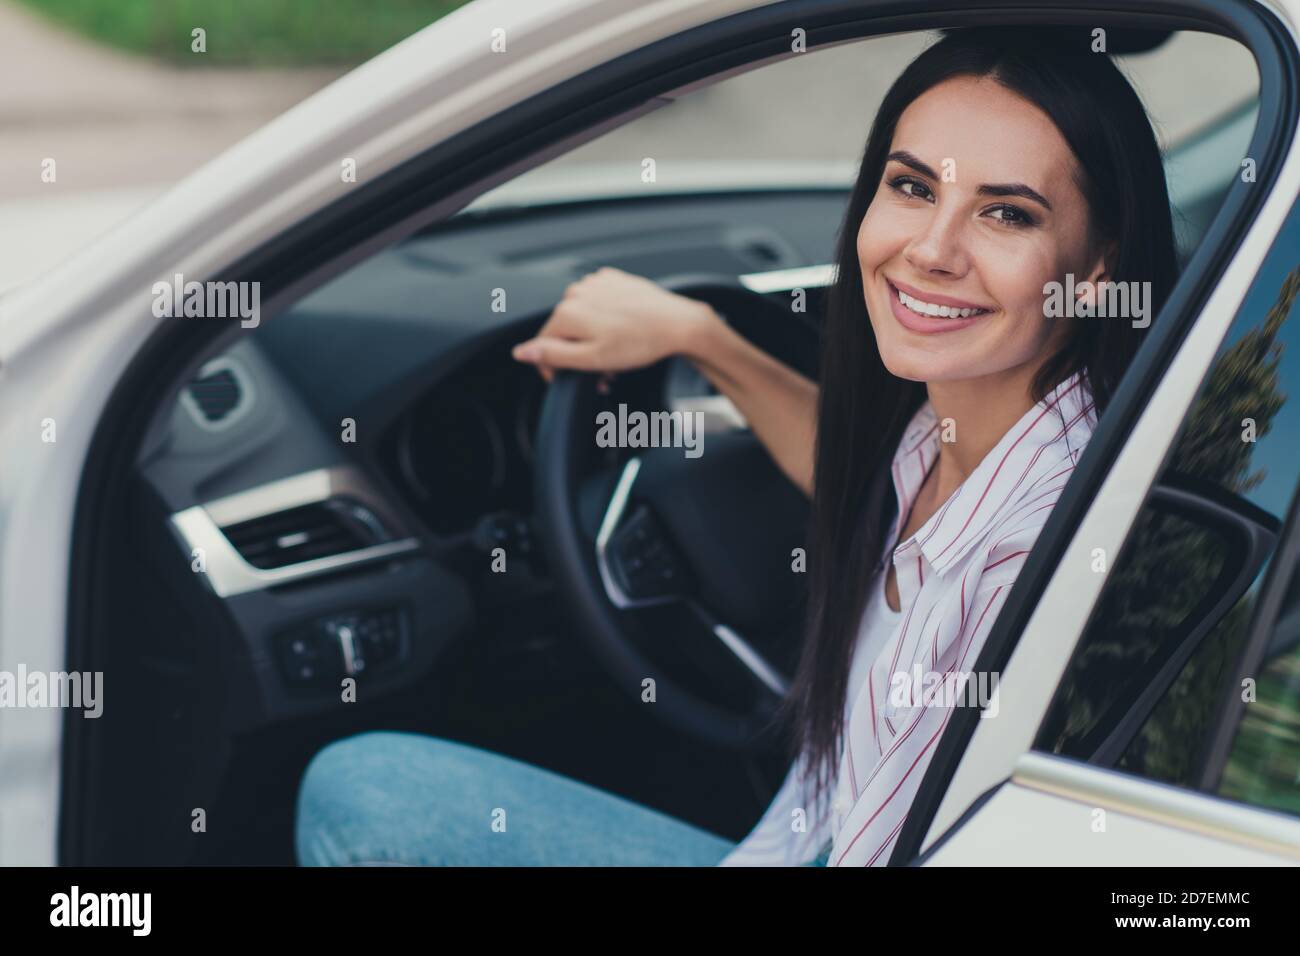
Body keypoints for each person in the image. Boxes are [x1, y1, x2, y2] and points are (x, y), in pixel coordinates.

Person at [294, 25, 1178, 867]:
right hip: (793, 839)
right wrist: (703, 337)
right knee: (368, 786)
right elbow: (857, 482)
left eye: (1007, 215)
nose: (932, 251)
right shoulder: (973, 429)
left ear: (1097, 265)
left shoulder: (1038, 547)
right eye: (912, 187)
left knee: (359, 792)